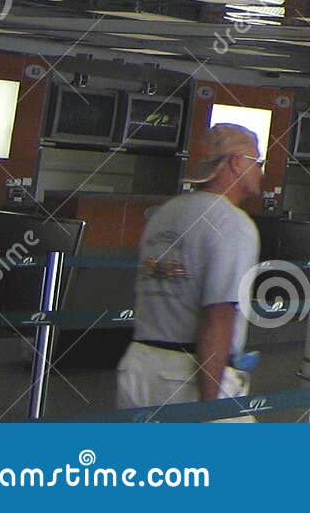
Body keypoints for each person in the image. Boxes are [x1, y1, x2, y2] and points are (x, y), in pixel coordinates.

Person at [116, 124, 263, 414]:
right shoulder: (232, 224)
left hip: (138, 366)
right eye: (256, 163)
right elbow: (218, 314)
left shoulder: (164, 213)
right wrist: (210, 406)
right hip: (187, 374)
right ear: (236, 163)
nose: (260, 172)